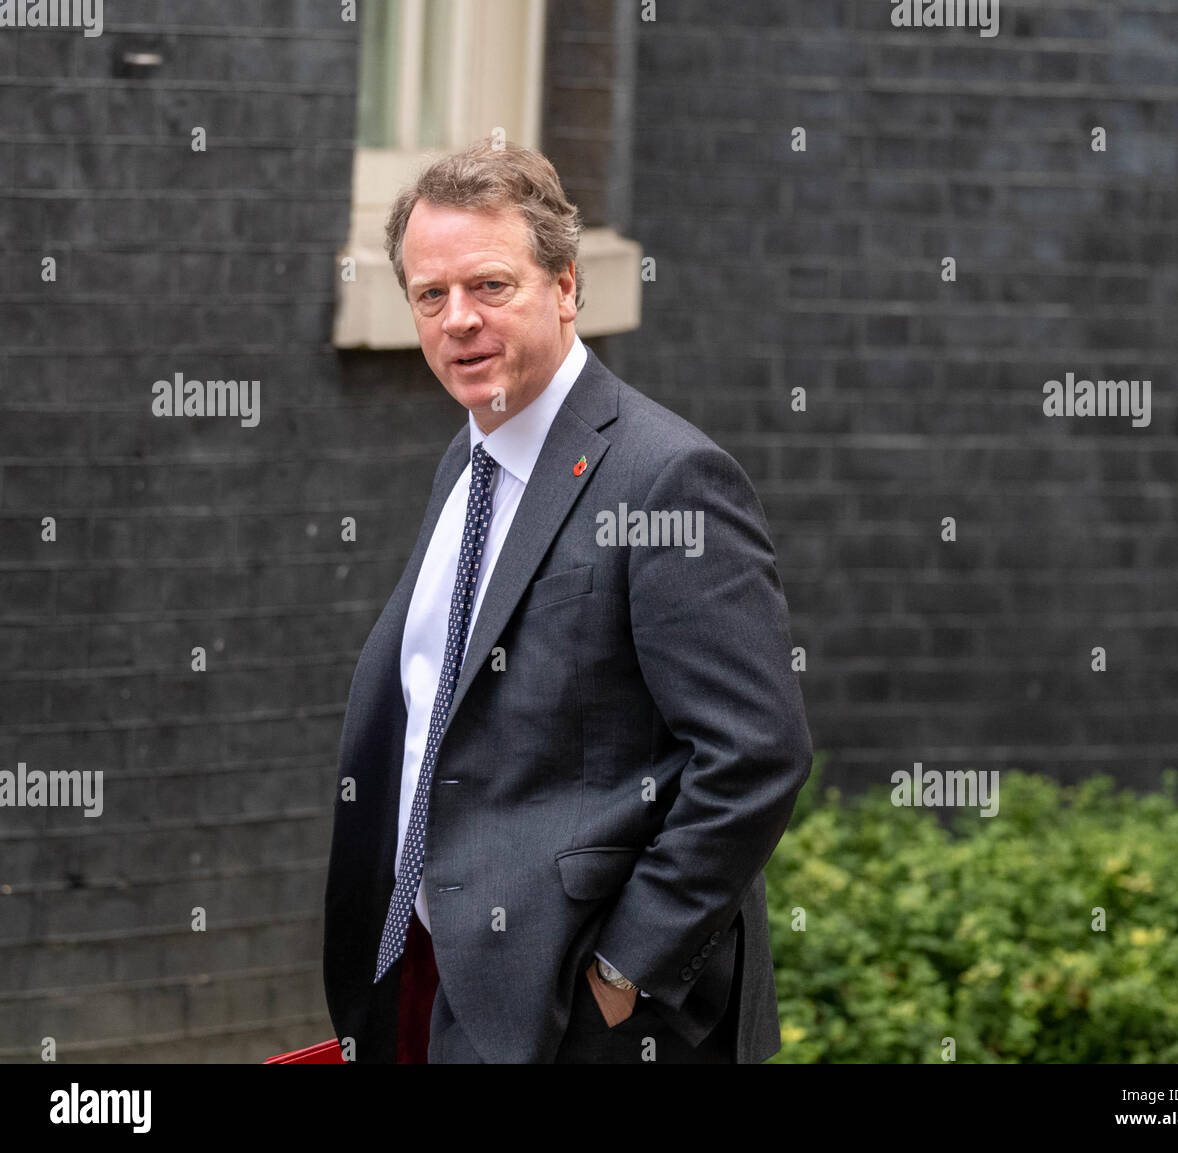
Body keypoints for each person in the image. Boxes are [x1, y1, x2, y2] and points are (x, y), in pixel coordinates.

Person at [322, 138, 812, 1063]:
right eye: (432, 295)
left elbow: (755, 754)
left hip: (584, 1016)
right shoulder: (467, 468)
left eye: (490, 286)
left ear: (566, 287)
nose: (458, 319)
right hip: (443, 977)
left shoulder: (667, 479)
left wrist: (621, 976)